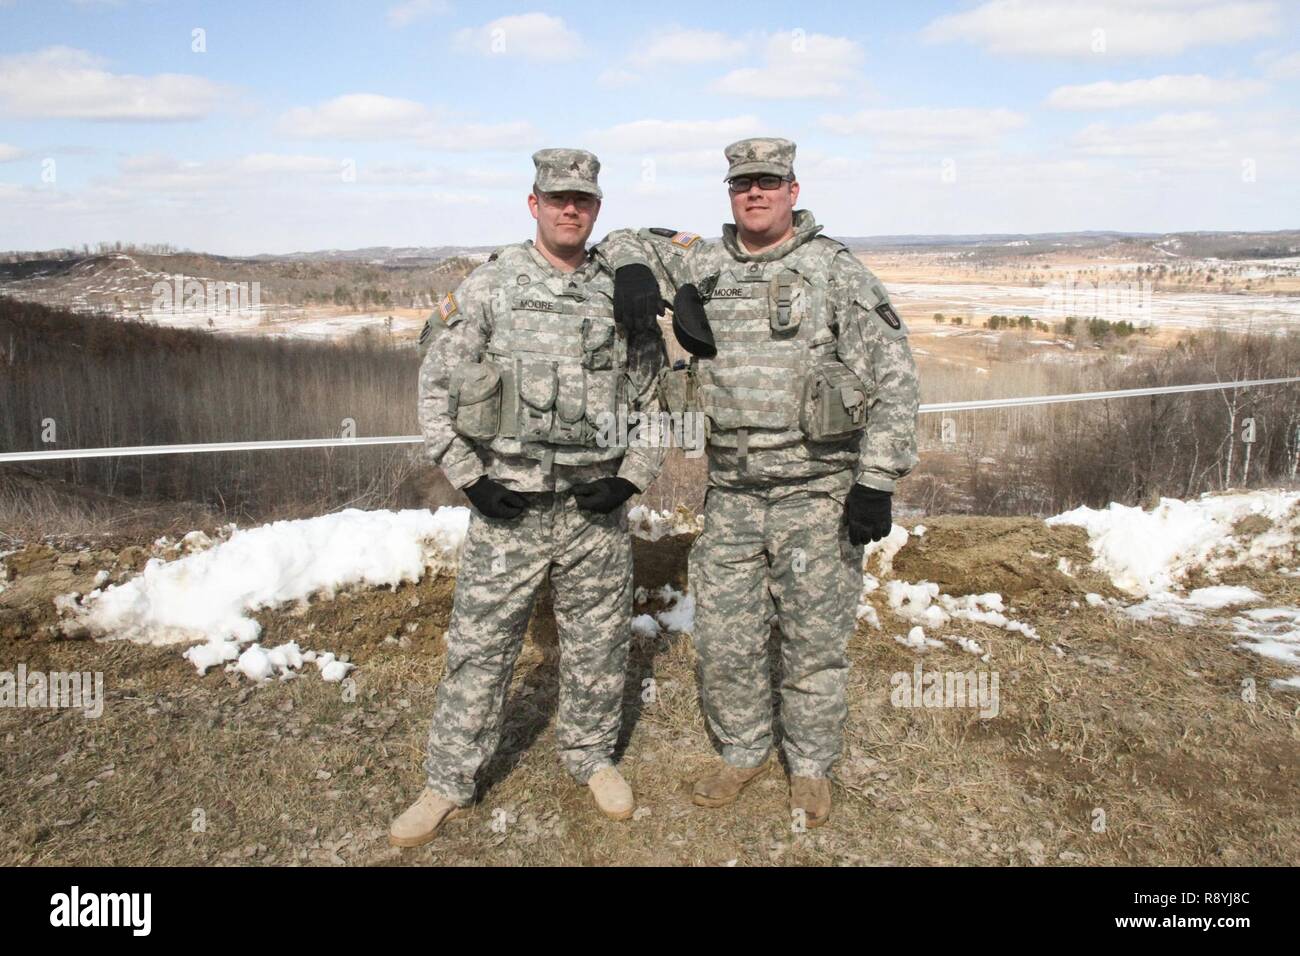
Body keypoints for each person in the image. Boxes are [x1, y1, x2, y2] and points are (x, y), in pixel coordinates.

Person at [605, 137, 919, 828]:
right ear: (729, 192)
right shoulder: (702, 259)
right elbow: (625, 236)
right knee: (725, 638)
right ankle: (743, 750)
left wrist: (877, 478)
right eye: (743, 183)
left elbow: (894, 377)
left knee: (813, 640)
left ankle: (808, 767)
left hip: (819, 492)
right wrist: (634, 272)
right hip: (735, 493)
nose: (755, 193)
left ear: (793, 190)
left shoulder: (834, 270)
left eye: (768, 182)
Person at [390, 148, 667, 847]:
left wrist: (632, 476)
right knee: (480, 650)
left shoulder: (621, 292)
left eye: (582, 200)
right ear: (533, 204)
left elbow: (656, 400)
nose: (569, 208)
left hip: (592, 511)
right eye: (556, 198)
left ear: (597, 209)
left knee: (600, 646)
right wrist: (470, 477)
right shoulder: (491, 286)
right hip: (506, 508)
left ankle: (591, 758)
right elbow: (435, 389)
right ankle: (448, 781)